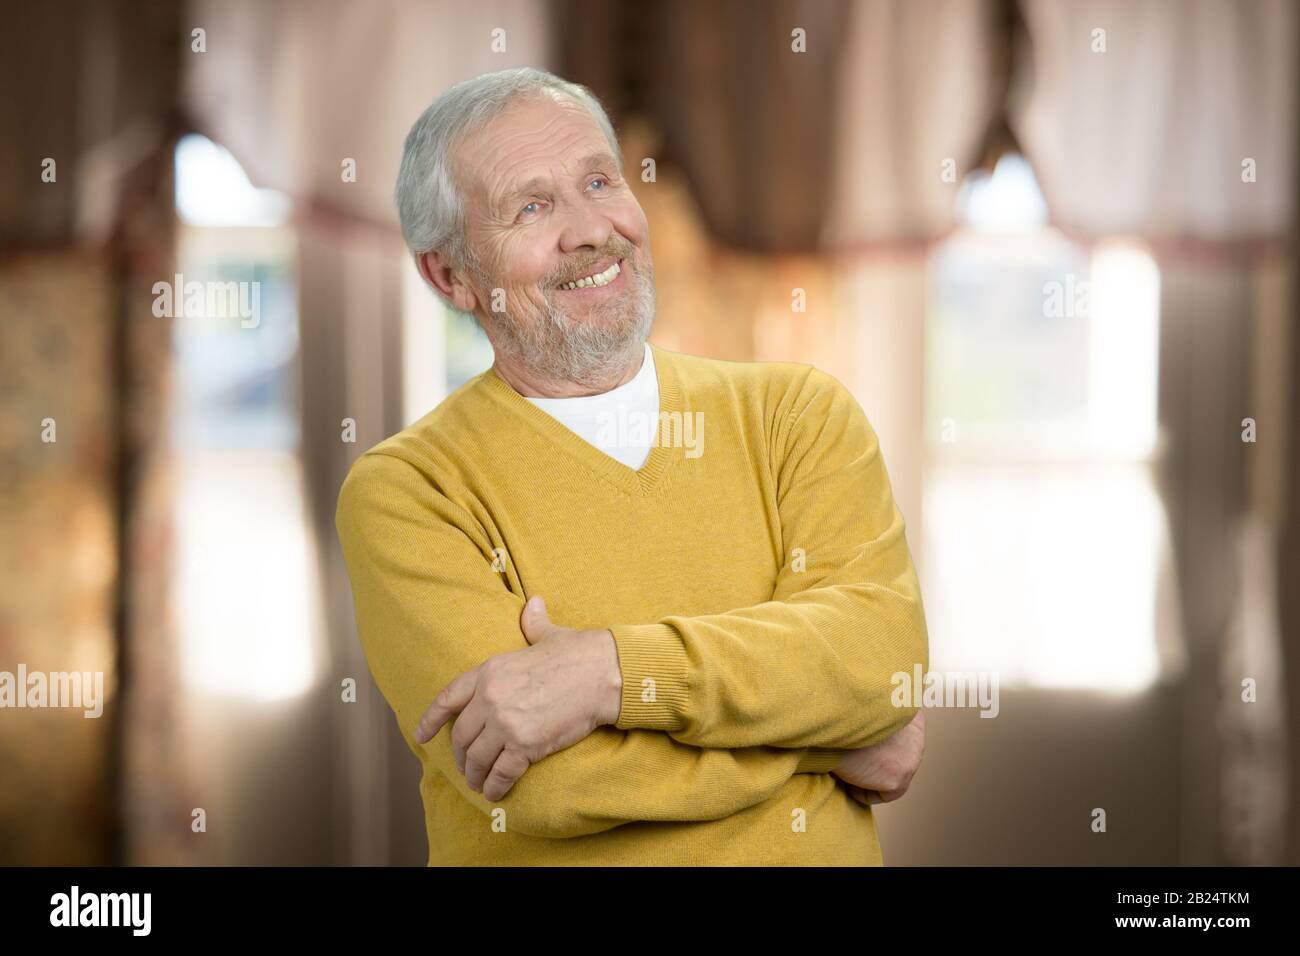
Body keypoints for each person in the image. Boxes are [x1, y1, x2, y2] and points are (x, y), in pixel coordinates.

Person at [335, 67, 929, 865]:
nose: (591, 231)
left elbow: (879, 662)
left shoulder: (798, 415)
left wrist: (609, 674)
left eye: (599, 181)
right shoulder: (407, 491)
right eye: (533, 206)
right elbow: (548, 783)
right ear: (452, 276)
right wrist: (829, 737)